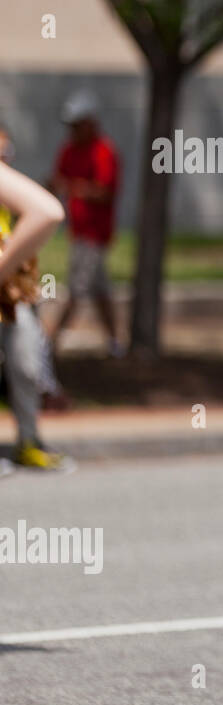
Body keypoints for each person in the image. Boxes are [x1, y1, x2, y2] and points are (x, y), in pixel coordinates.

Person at [0, 128, 74, 472]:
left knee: (28, 365)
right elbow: (49, 211)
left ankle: (28, 442)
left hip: (11, 292)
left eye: (7, 155)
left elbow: (45, 213)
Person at [47, 91, 121, 358]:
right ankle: (115, 342)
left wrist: (72, 188)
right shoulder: (69, 150)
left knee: (77, 288)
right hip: (78, 231)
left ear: (91, 123)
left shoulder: (104, 152)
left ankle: (50, 343)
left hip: (95, 233)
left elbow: (105, 191)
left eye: (78, 125)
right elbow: (57, 180)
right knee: (101, 290)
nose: (73, 131)